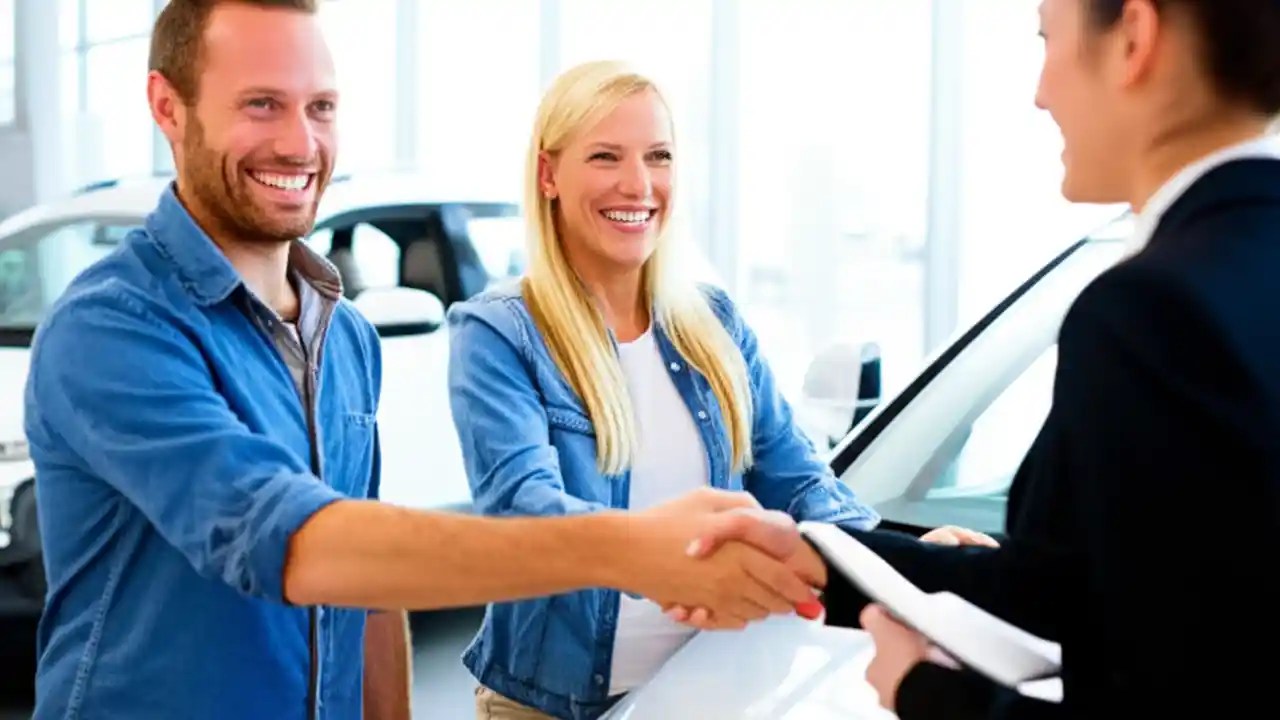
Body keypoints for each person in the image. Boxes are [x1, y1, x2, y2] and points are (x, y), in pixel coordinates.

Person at [21, 3, 826, 719]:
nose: (300, 142)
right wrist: (640, 550)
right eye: (261, 104)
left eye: (321, 107)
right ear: (168, 106)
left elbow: (365, 594)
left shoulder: (346, 338)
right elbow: (293, 542)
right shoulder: (113, 327)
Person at [679, 0, 1280, 717]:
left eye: (1046, 39)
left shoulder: (1149, 310)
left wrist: (927, 691)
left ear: (1134, 38)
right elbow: (1068, 588)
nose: (1040, 92)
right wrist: (818, 556)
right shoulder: (1238, 273)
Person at [443, 60, 992, 720]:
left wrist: (898, 561)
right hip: (554, 704)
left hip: (714, 690)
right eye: (605, 156)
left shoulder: (713, 325)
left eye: (659, 155)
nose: (639, 183)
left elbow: (799, 483)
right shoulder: (500, 333)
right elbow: (523, 515)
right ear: (548, 174)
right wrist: (671, 552)